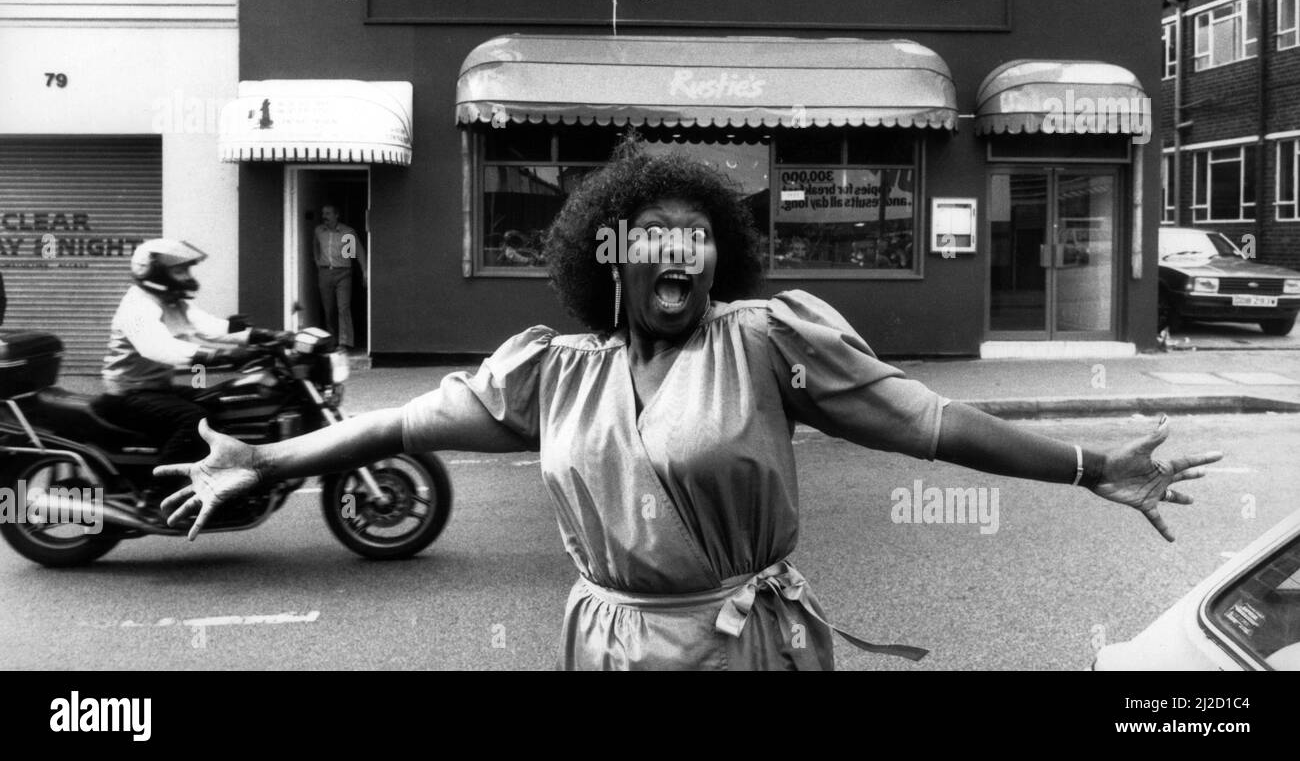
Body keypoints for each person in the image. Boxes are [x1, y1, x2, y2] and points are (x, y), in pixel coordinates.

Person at [157, 145, 1221, 671]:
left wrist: (1088, 466)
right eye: (653, 232)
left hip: (739, 643)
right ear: (608, 253)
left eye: (698, 232)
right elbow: (398, 426)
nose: (680, 249)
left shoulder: (769, 344)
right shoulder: (553, 371)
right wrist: (274, 462)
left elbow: (931, 423)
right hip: (606, 640)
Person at [100, 239, 282, 466]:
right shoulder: (137, 306)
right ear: (154, 272)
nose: (187, 275)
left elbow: (208, 327)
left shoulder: (171, 302)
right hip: (127, 396)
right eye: (179, 270)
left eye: (187, 269)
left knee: (218, 402)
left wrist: (262, 335)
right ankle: (162, 490)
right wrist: (220, 356)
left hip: (157, 389)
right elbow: (159, 348)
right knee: (193, 420)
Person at [314, 204, 367, 351]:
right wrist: (318, 262)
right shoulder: (319, 231)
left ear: (337, 215)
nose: (325, 216)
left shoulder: (347, 232)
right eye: (323, 213)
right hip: (325, 273)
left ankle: (344, 343)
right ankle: (332, 340)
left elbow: (357, 253)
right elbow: (315, 248)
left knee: (343, 307)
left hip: (343, 273)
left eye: (328, 213)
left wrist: (364, 271)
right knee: (329, 309)